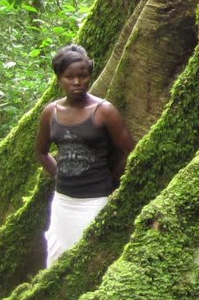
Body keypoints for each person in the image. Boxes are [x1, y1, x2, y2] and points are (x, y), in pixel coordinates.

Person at [34, 44, 135, 267]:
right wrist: (58, 174)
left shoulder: (104, 111)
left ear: (90, 76)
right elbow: (41, 152)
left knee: (87, 260)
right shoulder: (51, 112)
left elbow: (131, 151)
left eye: (83, 76)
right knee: (57, 258)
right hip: (63, 201)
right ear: (59, 78)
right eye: (70, 77)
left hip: (95, 201)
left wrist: (112, 177)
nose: (77, 82)